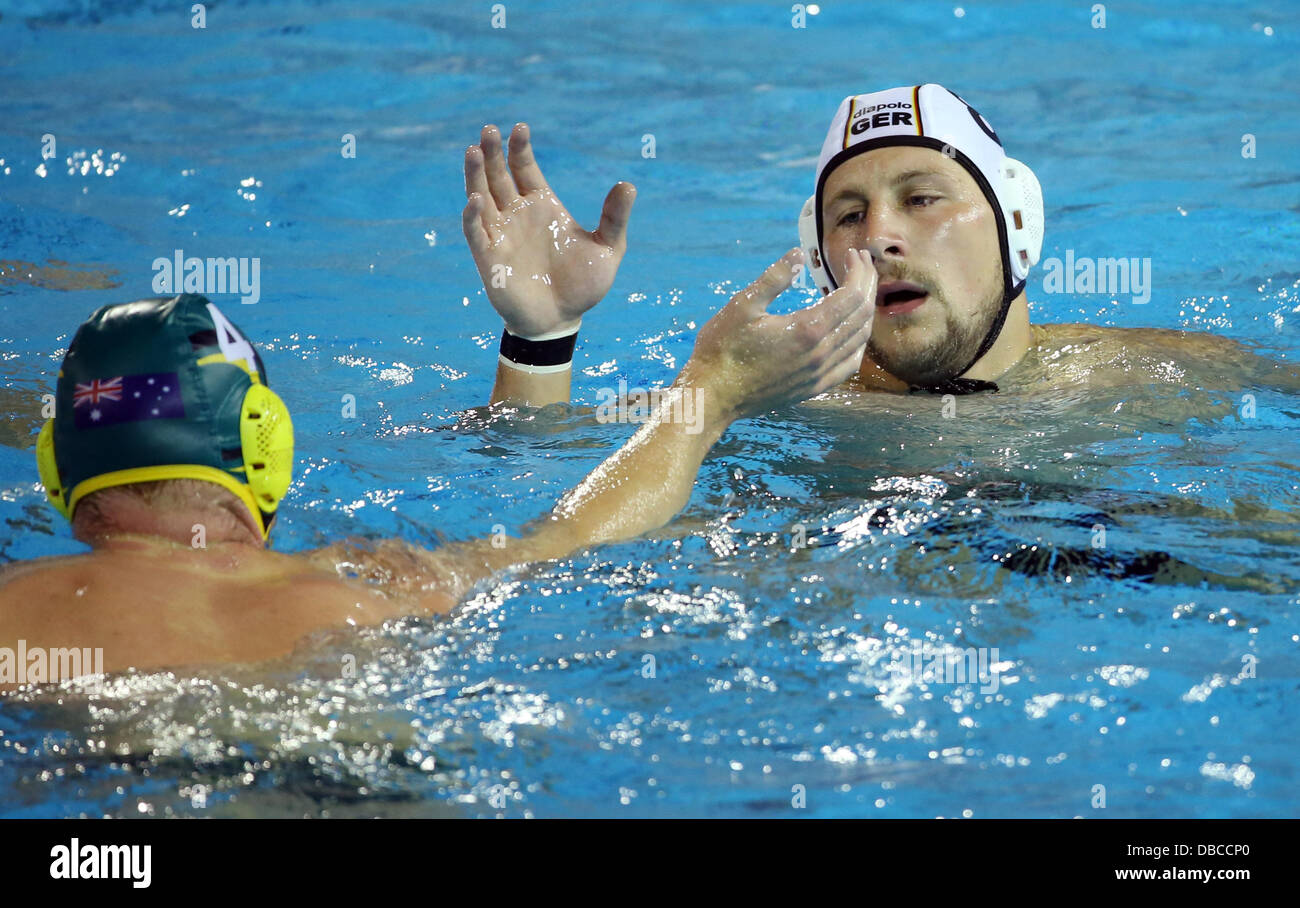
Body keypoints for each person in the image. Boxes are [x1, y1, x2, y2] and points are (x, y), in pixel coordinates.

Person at [0, 253, 873, 685]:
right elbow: (573, 534)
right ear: (264, 443)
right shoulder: (370, 582)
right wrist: (712, 392)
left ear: (55, 467)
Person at [465, 83, 1298, 408]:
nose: (881, 237)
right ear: (823, 258)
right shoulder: (779, 396)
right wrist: (542, 338)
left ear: (1017, 225)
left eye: (923, 198)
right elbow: (540, 486)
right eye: (849, 214)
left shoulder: (1162, 375)